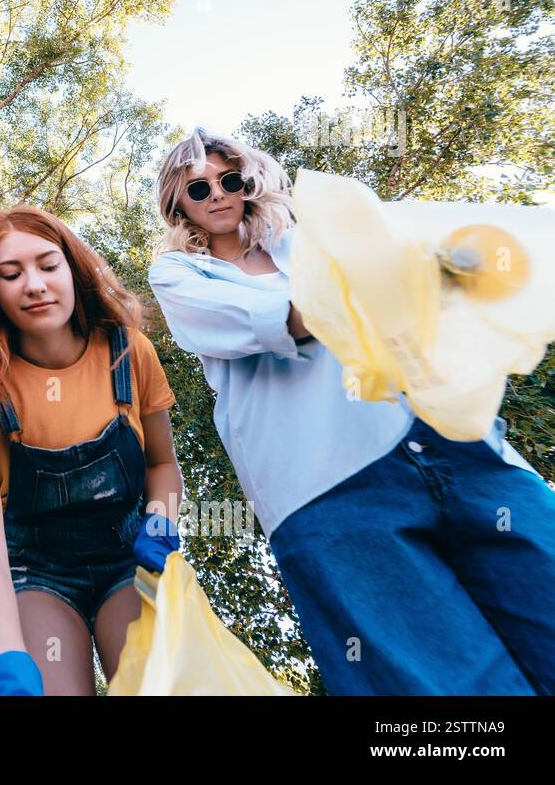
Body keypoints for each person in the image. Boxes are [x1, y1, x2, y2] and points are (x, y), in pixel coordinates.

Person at [147, 126, 555, 695]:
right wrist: (394, 280)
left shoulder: (313, 239)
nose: (216, 194)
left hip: (463, 452)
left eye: (228, 179)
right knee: (439, 687)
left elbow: (437, 298)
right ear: (177, 203)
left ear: (248, 183)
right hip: (329, 491)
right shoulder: (181, 276)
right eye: (197, 188)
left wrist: (445, 270)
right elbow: (294, 319)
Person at [0, 206, 183, 696]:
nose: (33, 284)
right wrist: (2, 657)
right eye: (11, 274)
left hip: (128, 561)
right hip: (36, 571)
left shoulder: (129, 350)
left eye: (48, 266)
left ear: (73, 269)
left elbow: (162, 464)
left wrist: (160, 517)